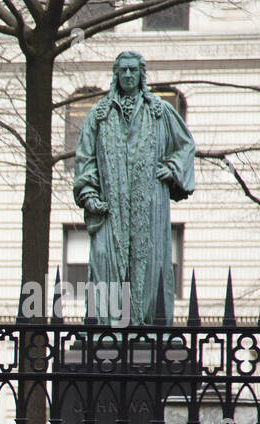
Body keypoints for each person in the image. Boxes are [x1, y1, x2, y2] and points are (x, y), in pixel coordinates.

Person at [73, 50, 195, 326]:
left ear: (142, 74)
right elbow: (85, 158)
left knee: (151, 265)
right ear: (115, 75)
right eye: (123, 70)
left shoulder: (160, 111)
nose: (128, 75)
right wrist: (89, 194)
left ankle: (148, 326)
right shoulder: (99, 114)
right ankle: (107, 329)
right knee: (104, 258)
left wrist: (173, 169)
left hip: (150, 204)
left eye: (133, 70)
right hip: (109, 206)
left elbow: (185, 145)